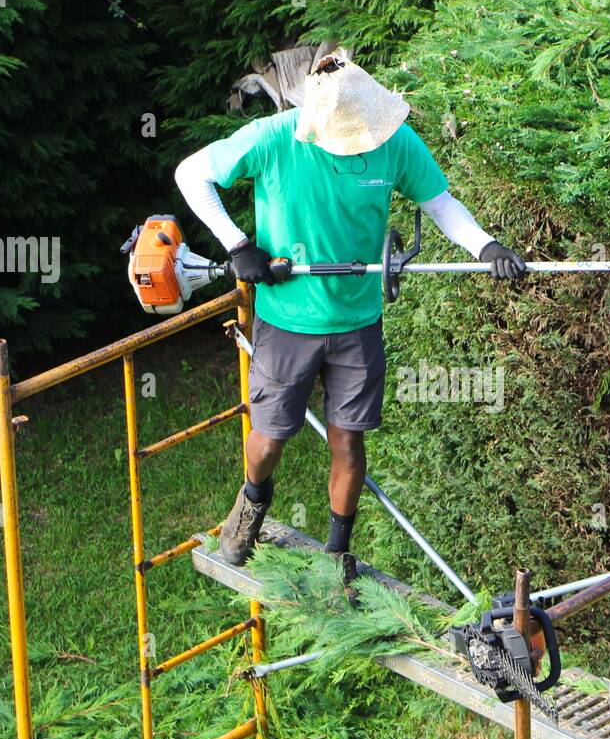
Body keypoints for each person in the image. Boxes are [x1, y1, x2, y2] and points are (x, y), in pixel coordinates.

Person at [174, 53, 523, 592]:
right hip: (287, 321)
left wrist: (485, 245)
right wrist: (239, 246)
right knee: (267, 441)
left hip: (358, 322)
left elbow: (440, 202)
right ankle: (253, 499)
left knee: (348, 444)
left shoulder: (394, 140)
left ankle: (337, 554)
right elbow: (191, 173)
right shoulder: (274, 137)